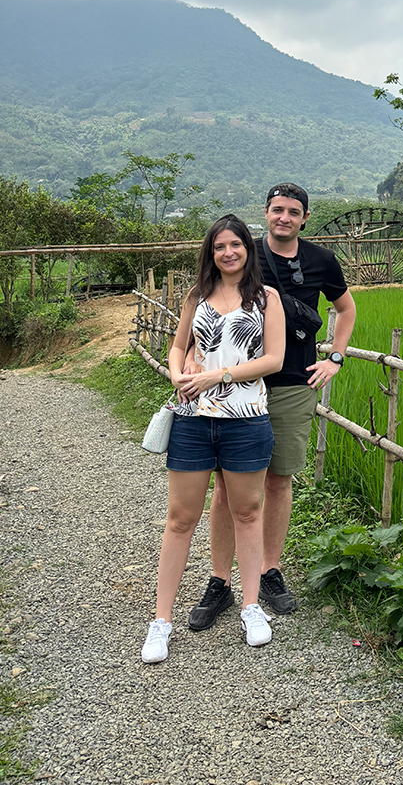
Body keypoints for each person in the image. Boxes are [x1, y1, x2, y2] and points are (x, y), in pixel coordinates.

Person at [187, 184, 356, 629]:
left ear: (304, 218)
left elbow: (346, 308)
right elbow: (202, 313)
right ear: (265, 213)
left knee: (279, 480)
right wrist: (189, 359)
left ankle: (268, 570)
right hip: (235, 393)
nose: (284, 217)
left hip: (291, 384)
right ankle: (220, 580)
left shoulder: (321, 260)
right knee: (226, 488)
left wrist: (335, 357)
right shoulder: (242, 252)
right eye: (277, 210)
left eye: (293, 212)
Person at [141, 215, 286, 664]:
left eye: (236, 245)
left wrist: (216, 376)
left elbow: (275, 360)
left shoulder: (266, 299)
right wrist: (176, 372)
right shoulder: (196, 295)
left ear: (248, 249)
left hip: (245, 419)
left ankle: (250, 606)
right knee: (180, 518)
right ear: (211, 252)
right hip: (192, 419)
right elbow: (178, 344)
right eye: (220, 246)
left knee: (246, 511)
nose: (228, 253)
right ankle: (161, 621)